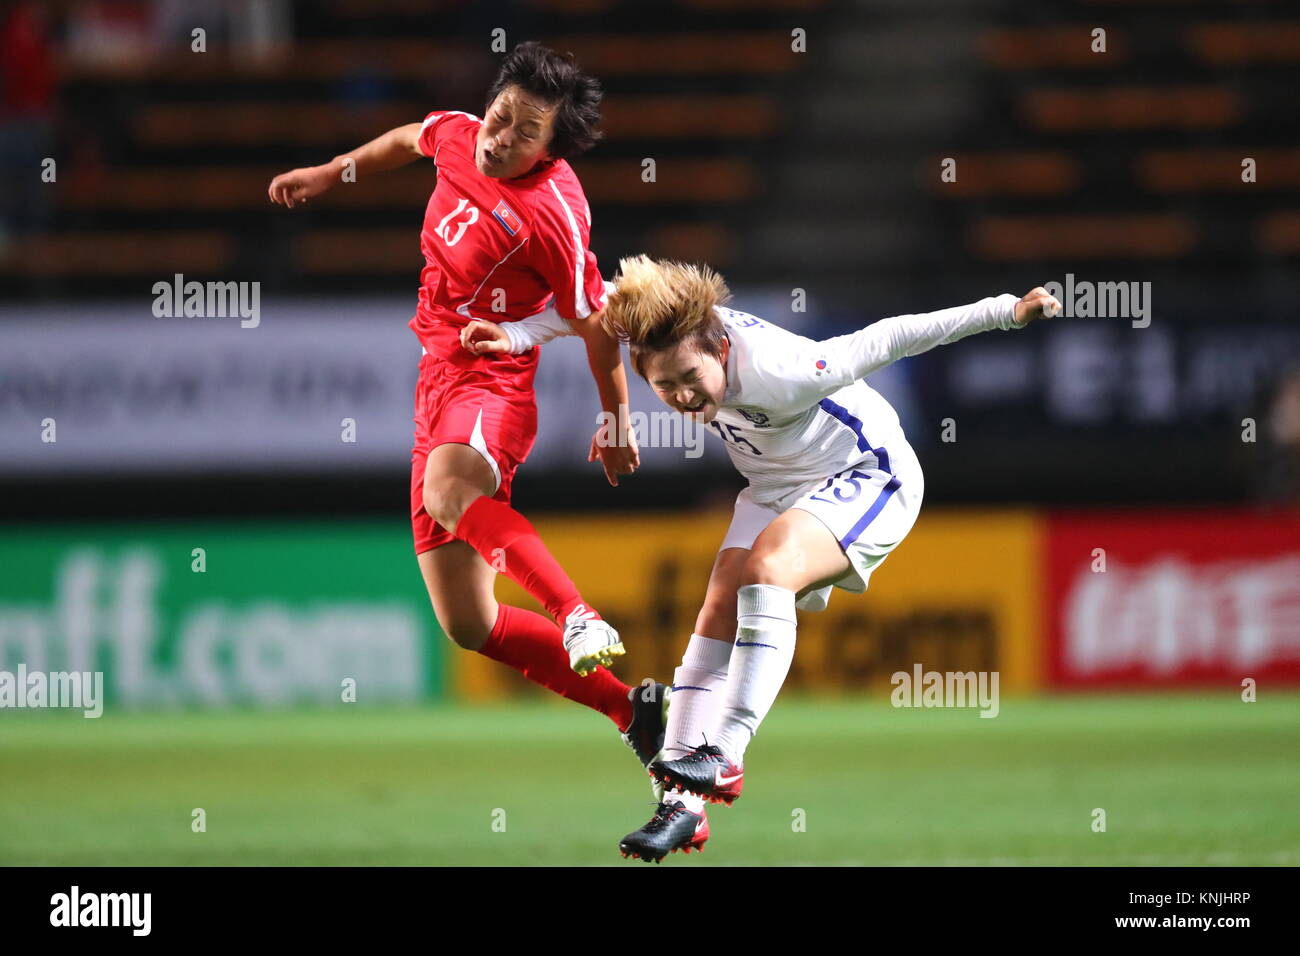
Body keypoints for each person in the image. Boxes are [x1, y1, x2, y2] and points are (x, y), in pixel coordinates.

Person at [461, 255, 1061, 861]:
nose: (682, 396)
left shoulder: (784, 370)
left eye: (690, 377)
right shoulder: (659, 326)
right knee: (719, 601)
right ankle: (682, 808)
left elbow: (892, 335)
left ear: (720, 349)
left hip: (866, 472)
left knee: (767, 569)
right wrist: (513, 335)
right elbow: (582, 305)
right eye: (663, 388)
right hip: (774, 484)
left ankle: (724, 753)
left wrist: (1006, 312)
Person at [268, 43, 671, 785]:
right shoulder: (460, 134)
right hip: (437, 375)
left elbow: (596, 323)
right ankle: (634, 712)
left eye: (525, 132)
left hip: (494, 380)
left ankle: (578, 613)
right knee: (468, 624)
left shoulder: (551, 214)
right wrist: (331, 172)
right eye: (501, 116)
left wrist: (617, 421)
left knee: (449, 495)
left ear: (550, 149)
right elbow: (408, 138)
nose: (501, 136)